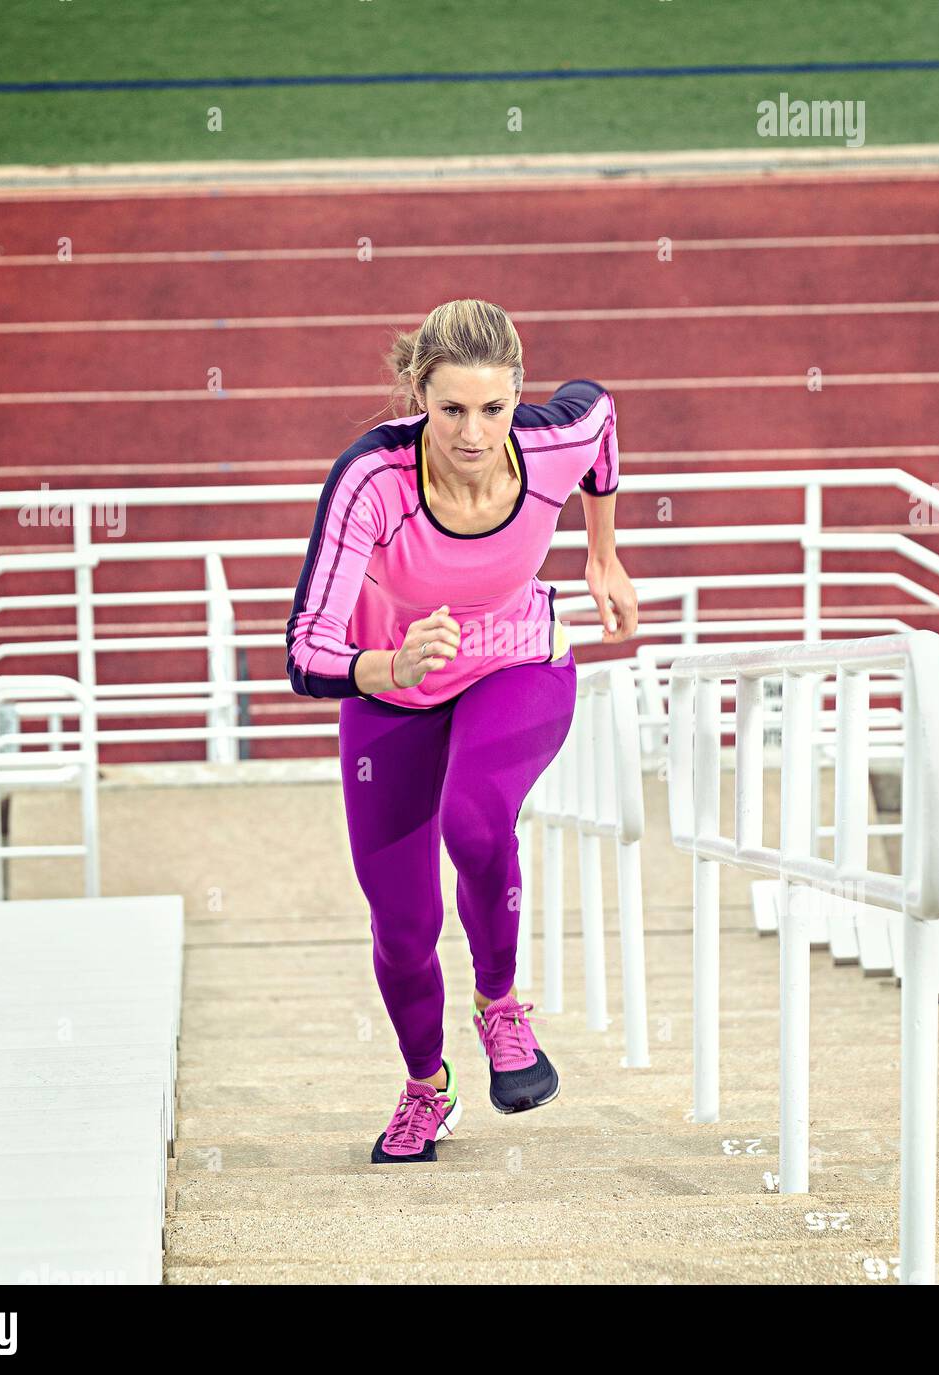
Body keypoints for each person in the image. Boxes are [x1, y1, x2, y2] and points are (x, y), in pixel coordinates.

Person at [284, 299, 638, 1162]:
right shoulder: (372, 481)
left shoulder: (551, 441)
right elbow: (305, 650)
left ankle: (502, 1004)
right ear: (418, 398)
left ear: (518, 397)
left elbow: (601, 419)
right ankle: (426, 1086)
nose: (474, 433)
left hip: (517, 662)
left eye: (493, 408)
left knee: (474, 821)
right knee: (402, 926)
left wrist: (602, 555)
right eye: (450, 410)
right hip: (393, 691)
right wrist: (392, 667)